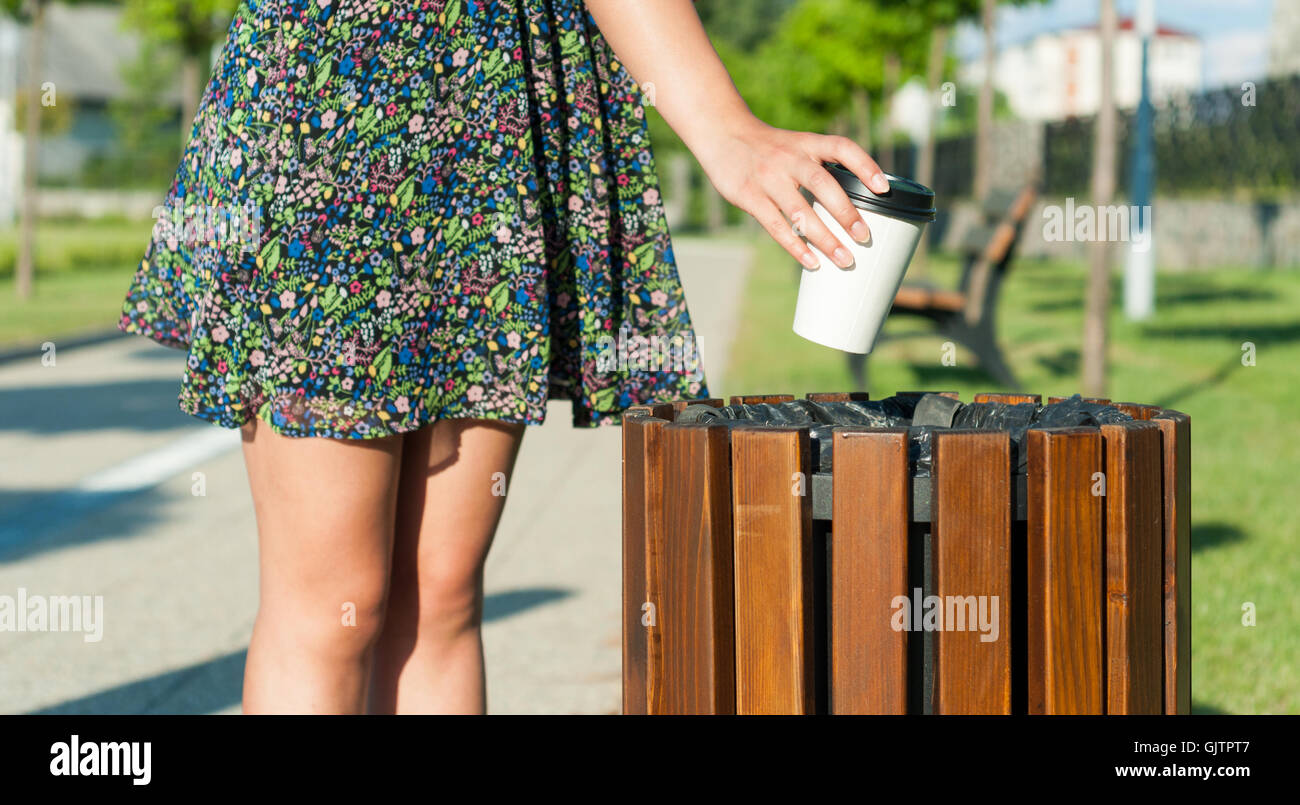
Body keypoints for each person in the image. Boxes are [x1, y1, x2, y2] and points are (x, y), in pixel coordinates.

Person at [117, 0, 887, 714]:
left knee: (442, 593)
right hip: (335, 96)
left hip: (495, 119)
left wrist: (725, 128)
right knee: (333, 605)